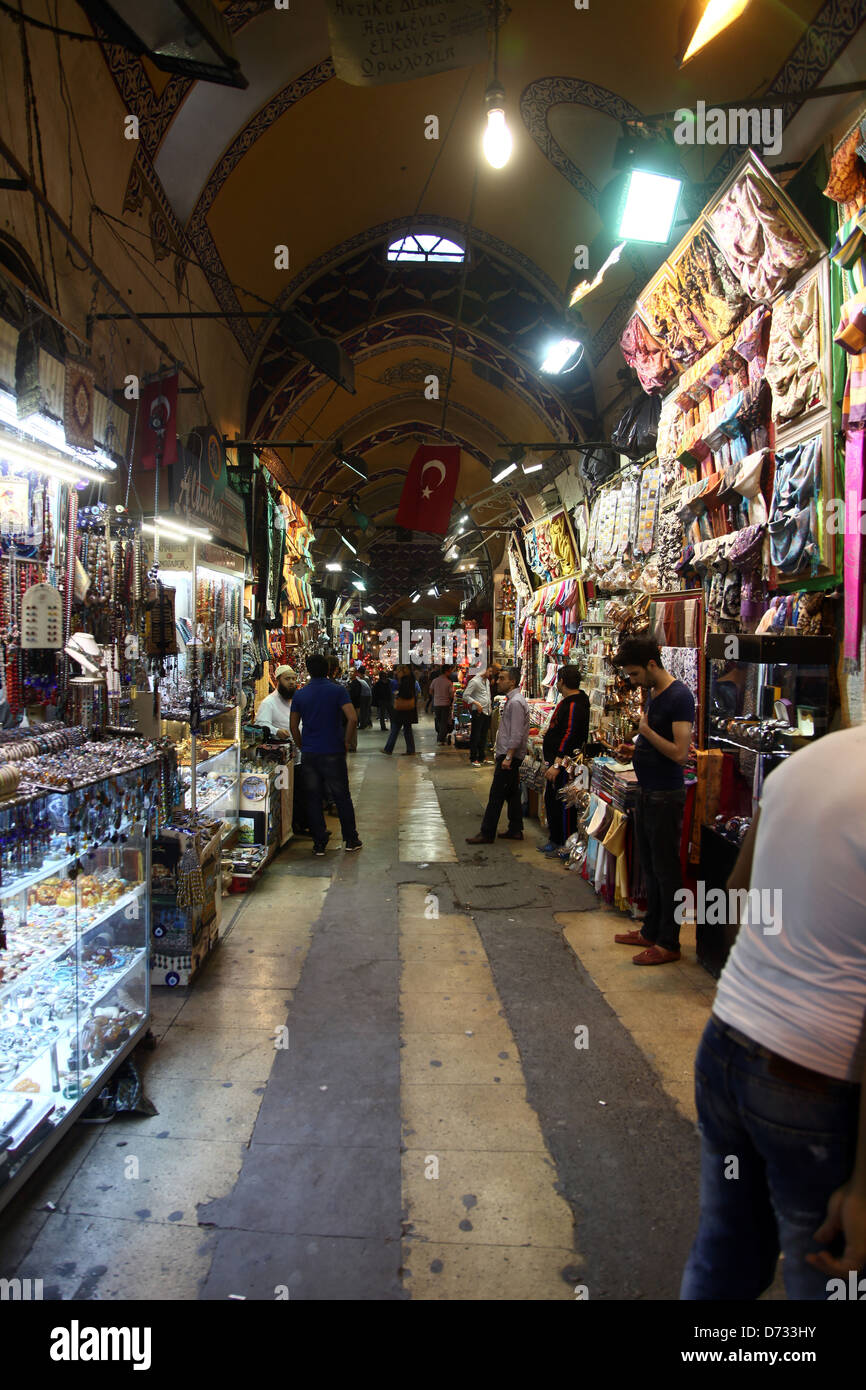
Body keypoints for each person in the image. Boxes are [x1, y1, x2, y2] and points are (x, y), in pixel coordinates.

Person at [680, 724, 866, 1301]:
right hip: (816, 1077)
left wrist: (767, 987)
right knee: (830, 1274)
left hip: (728, 1043)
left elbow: (734, 895)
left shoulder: (807, 763)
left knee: (725, 1253)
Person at [610, 638, 695, 965]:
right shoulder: (654, 693)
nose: (632, 681)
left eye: (634, 674)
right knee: (649, 866)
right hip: (647, 793)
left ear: (651, 665)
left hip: (664, 796)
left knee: (665, 870)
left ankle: (669, 942)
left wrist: (645, 732)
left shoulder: (679, 696)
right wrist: (637, 750)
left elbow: (679, 753)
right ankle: (650, 930)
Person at [290, 653, 362, 856]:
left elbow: (293, 726)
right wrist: (346, 742)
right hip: (333, 751)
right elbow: (353, 718)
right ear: (328, 670)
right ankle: (351, 839)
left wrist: (302, 746)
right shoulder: (337, 691)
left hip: (311, 754)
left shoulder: (300, 694)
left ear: (308, 670)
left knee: (313, 798)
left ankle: (319, 842)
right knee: (342, 796)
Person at [466, 667, 530, 844]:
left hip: (509, 756)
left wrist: (508, 757)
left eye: (502, 678)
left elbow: (516, 733)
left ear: (512, 682)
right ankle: (516, 829)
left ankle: (487, 832)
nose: (497, 681)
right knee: (511, 793)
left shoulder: (516, 702)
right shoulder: (513, 700)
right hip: (507, 754)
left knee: (496, 795)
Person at [539, 666, 590, 853]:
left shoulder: (575, 704)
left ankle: (563, 844)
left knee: (561, 804)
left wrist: (557, 764)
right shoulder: (571, 702)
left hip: (564, 766)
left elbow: (569, 736)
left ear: (561, 681)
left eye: (558, 680)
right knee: (554, 801)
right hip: (561, 764)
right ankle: (557, 840)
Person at [462, 663, 495, 767]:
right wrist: (476, 703)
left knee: (484, 735)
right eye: (489, 671)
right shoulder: (474, 681)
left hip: (487, 711)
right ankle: (473, 758)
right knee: (475, 735)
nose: (490, 673)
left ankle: (482, 756)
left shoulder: (487, 681)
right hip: (478, 712)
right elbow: (465, 696)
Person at [254, 664, 296, 739]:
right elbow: (261, 724)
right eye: (287, 679)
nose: (291, 682)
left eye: (293, 679)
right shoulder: (269, 702)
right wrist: (276, 731)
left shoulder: (295, 700)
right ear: (278, 681)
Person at [381, 667, 417, 755]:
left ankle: (389, 749)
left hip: (403, 709)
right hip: (408, 709)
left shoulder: (406, 681)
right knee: (406, 729)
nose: (397, 672)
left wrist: (398, 695)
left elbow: (406, 693)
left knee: (396, 728)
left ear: (404, 671)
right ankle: (410, 749)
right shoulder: (410, 679)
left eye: (398, 671)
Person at [431, 665, 455, 745]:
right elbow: (451, 694)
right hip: (445, 704)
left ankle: (441, 737)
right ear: (446, 671)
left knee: (439, 721)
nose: (451, 672)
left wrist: (436, 695)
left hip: (436, 704)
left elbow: (430, 691)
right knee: (444, 722)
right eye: (450, 671)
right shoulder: (448, 682)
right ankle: (441, 739)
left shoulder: (435, 681)